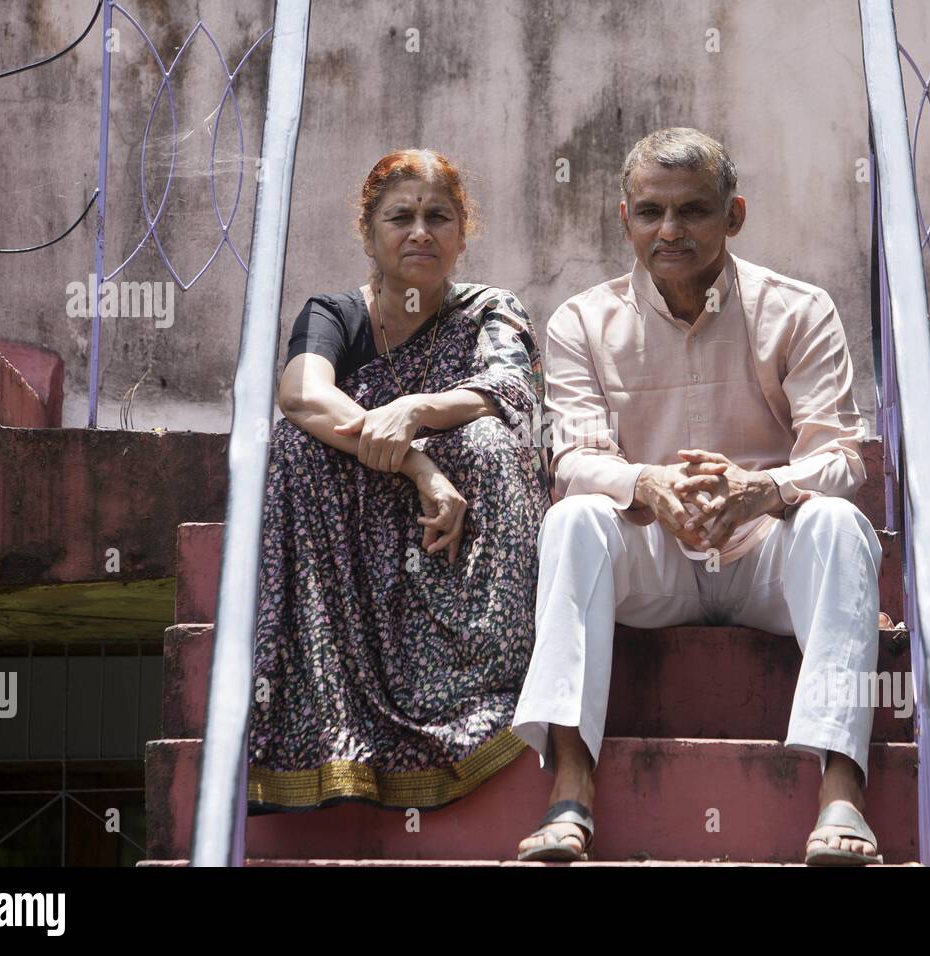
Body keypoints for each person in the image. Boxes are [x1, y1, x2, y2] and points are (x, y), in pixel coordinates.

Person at [511, 127, 886, 864]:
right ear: (625, 220)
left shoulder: (798, 310)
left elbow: (840, 458)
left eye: (693, 211)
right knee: (574, 518)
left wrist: (763, 490)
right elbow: (574, 459)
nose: (670, 231)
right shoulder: (582, 322)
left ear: (733, 216)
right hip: (651, 558)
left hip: (764, 561)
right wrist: (646, 485)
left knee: (839, 522)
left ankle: (841, 791)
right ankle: (570, 789)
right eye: (650, 212)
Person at [247, 149, 550, 813]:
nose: (420, 231)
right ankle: (334, 717)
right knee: (296, 445)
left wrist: (414, 411)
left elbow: (509, 387)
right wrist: (416, 463)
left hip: (458, 539)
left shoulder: (489, 310)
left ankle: (485, 681)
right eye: (401, 217)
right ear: (368, 234)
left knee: (490, 437)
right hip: (365, 528)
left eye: (438, 216)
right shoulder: (336, 314)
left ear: (462, 234)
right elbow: (301, 395)